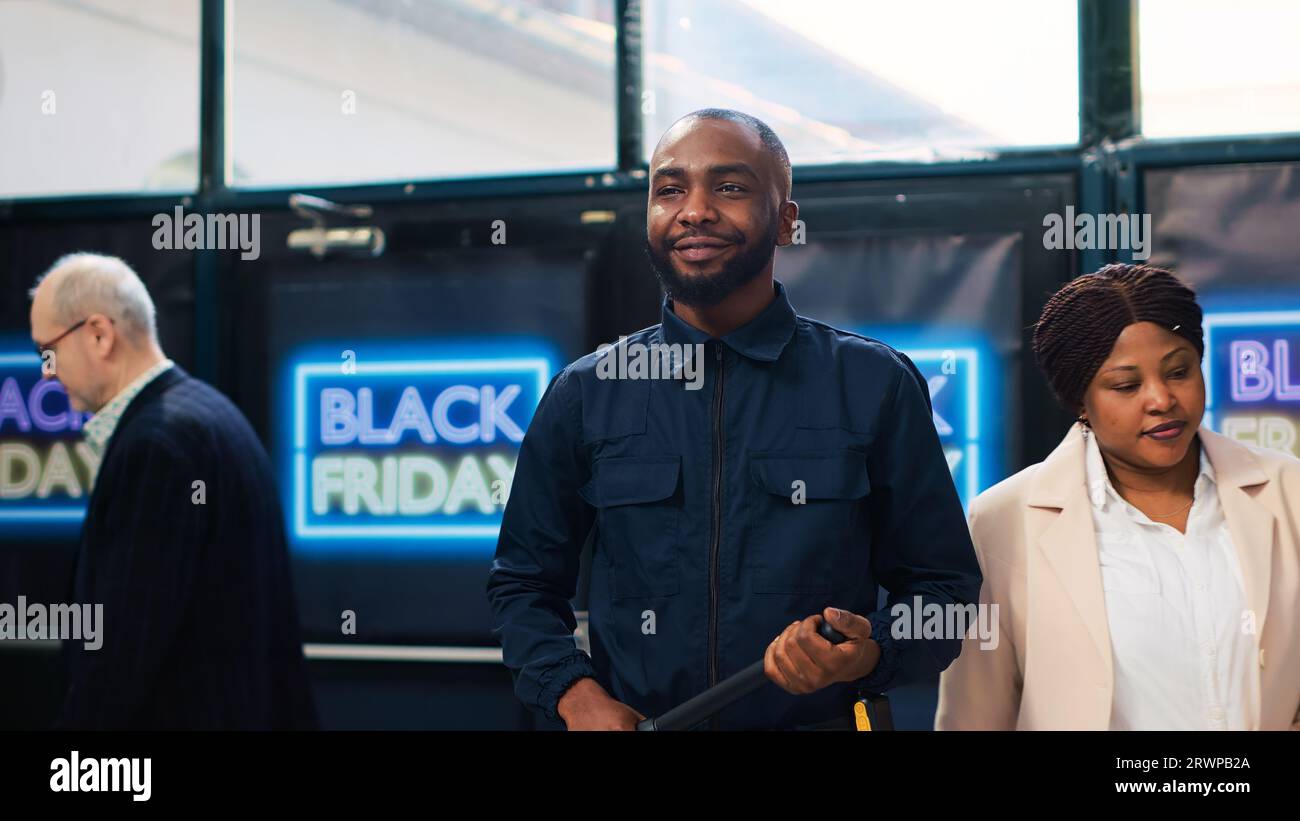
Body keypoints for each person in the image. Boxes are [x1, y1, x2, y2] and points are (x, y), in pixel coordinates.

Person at [487, 109, 981, 730]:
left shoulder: (874, 383)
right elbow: (523, 586)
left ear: (785, 220)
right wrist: (573, 696)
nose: (694, 210)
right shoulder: (586, 393)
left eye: (729, 187)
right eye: (670, 189)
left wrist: (870, 649)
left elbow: (944, 593)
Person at [936, 263, 1300, 730]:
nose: (1161, 399)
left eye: (1180, 371)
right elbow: (974, 715)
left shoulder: (1288, 491)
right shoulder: (1004, 521)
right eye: (1127, 385)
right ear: (1079, 401)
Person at [29, 252, 317, 729]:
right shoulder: (208, 413)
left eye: (48, 350)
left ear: (99, 334)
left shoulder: (158, 447)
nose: (45, 372)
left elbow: (120, 655)